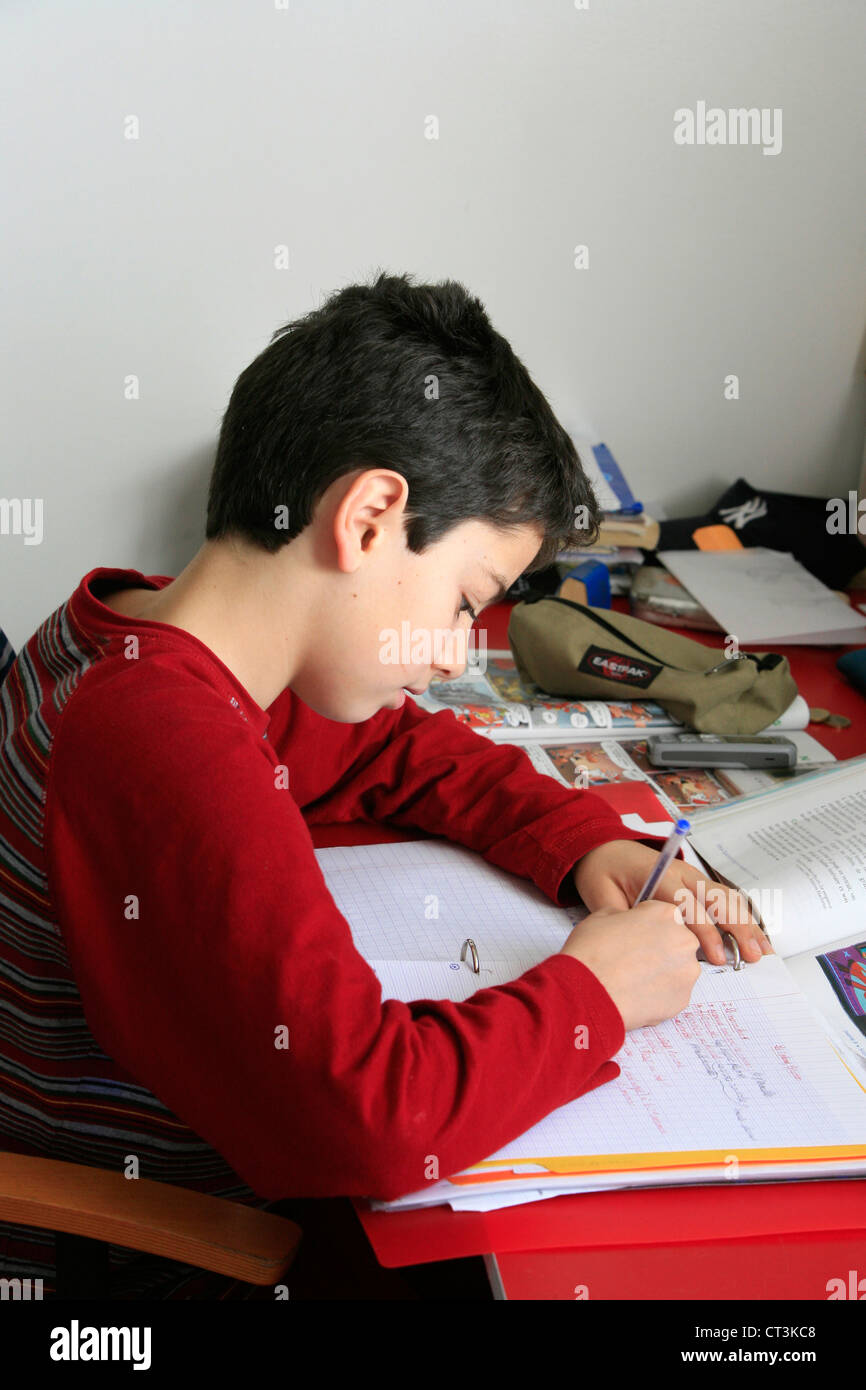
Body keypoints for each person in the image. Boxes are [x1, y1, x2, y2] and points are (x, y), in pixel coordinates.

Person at [0, 271, 770, 1299]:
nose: (454, 650)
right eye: (463, 599)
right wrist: (594, 995)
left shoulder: (144, 632)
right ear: (367, 517)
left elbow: (396, 752)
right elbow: (372, 1120)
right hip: (152, 1246)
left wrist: (586, 842)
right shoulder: (162, 736)